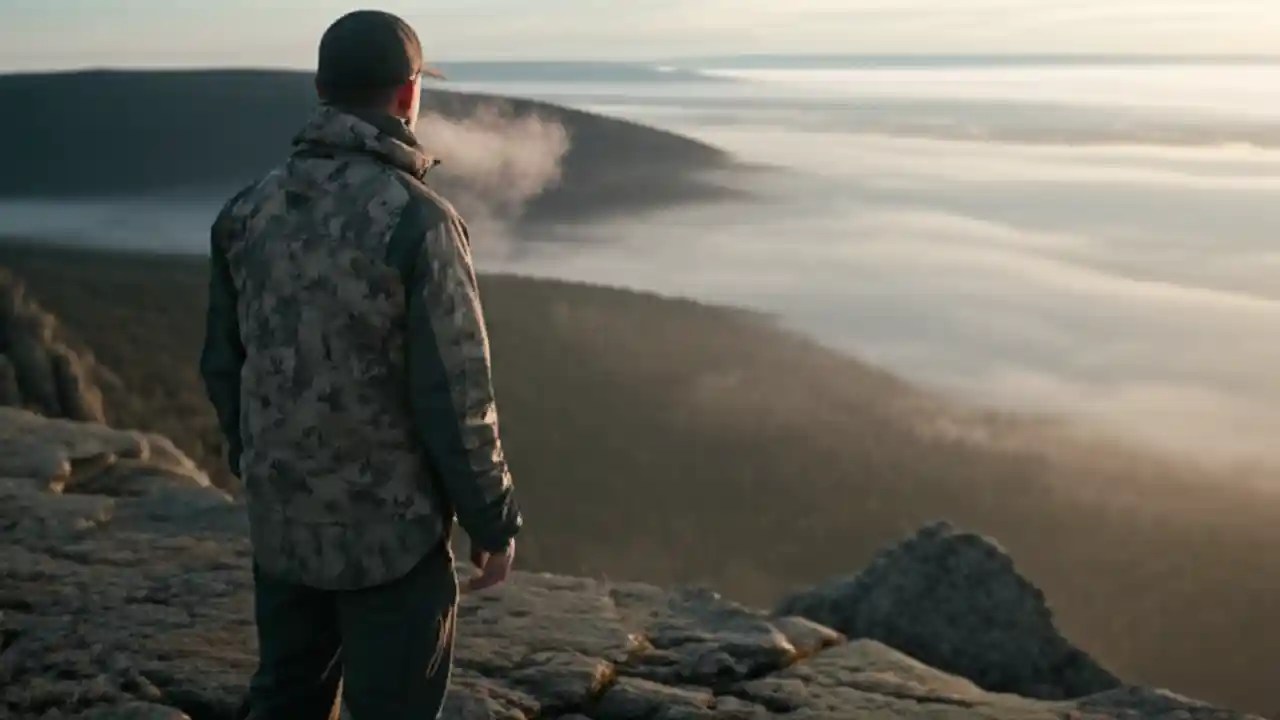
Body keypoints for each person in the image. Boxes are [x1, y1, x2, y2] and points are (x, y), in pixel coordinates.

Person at [199, 10, 523, 719]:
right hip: (392, 545)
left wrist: (265, 468)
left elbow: (223, 366)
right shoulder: (419, 222)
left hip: (283, 525)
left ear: (321, 87)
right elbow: (456, 395)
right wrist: (492, 521)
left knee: (284, 697)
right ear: (408, 95)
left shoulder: (246, 213)